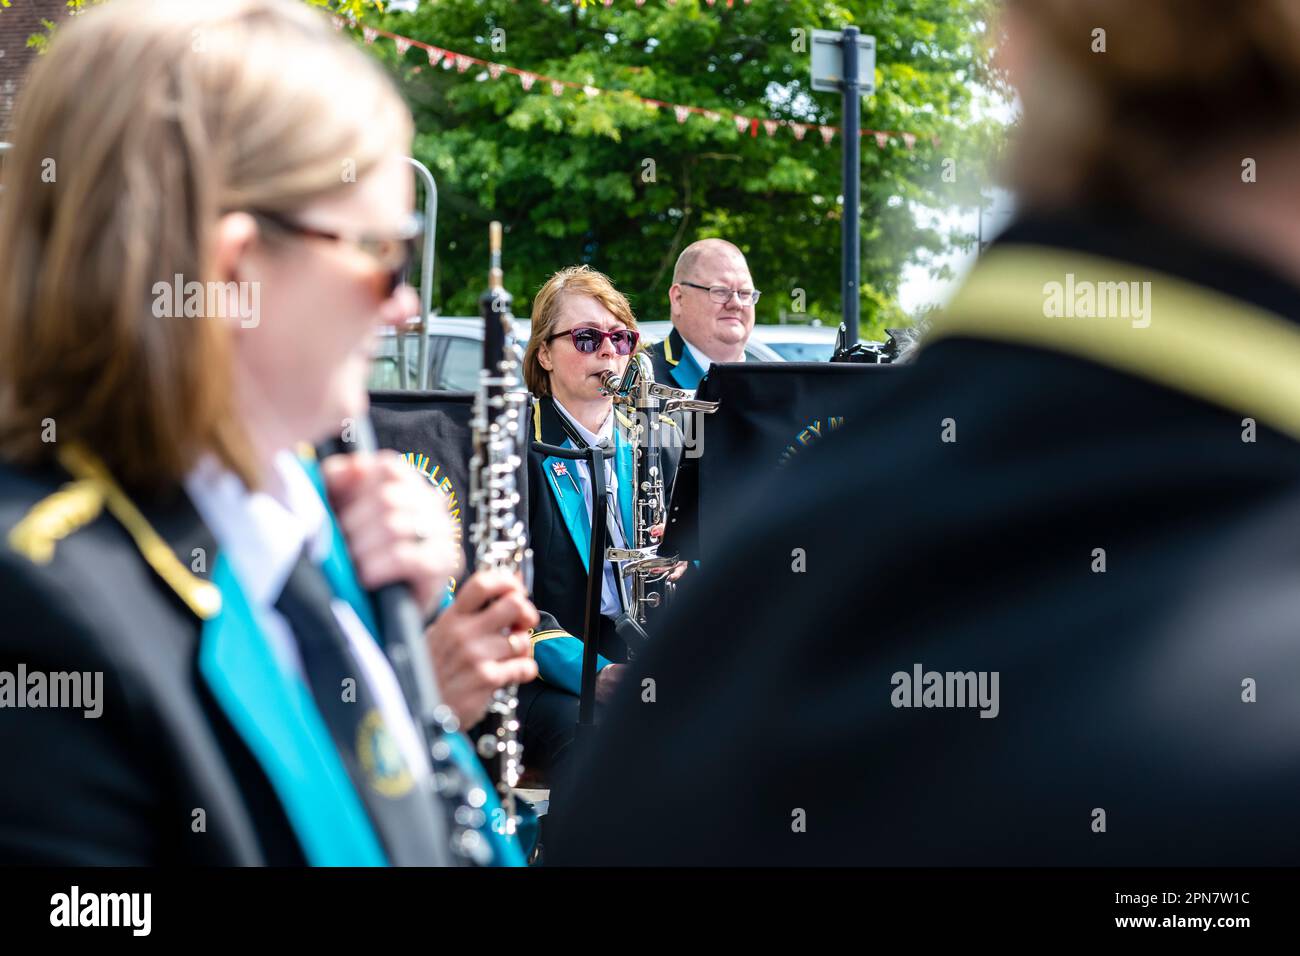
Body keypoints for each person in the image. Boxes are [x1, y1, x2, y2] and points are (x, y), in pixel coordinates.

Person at [550, 0, 1300, 865]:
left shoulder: (761, 626)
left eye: (745, 294)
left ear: (1013, 39)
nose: (736, 308)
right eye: (719, 293)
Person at [0, 0, 537, 865]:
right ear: (235, 266)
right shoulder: (42, 607)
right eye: (381, 255)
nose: (403, 308)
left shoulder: (309, 534)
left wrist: (415, 691)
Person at [518, 266, 685, 792]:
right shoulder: (515, 447)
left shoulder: (663, 440)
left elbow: (698, 552)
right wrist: (593, 673)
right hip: (546, 675)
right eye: (587, 338)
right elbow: (504, 600)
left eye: (621, 338)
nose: (608, 352)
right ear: (545, 353)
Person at [647, 239, 760, 390]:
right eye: (720, 291)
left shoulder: (775, 386)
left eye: (745, 293)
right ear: (678, 299)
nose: (736, 304)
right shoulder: (639, 379)